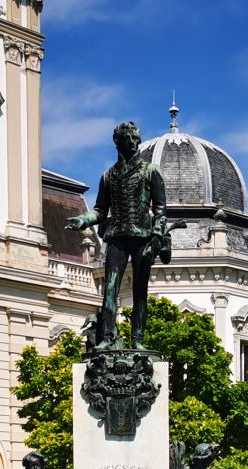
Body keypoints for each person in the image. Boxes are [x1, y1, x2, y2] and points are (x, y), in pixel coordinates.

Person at [65, 121, 168, 350]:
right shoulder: (108, 176)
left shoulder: (150, 171)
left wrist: (157, 236)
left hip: (142, 237)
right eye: (127, 138)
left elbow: (161, 209)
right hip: (117, 237)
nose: (132, 142)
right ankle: (108, 338)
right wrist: (83, 220)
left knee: (140, 292)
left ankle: (137, 341)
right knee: (110, 290)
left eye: (135, 138)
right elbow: (100, 210)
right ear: (117, 141)